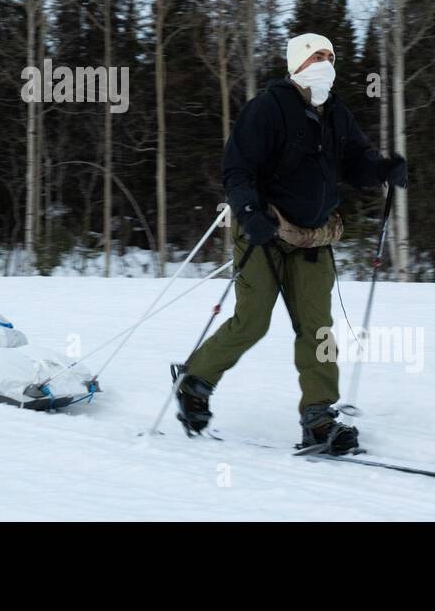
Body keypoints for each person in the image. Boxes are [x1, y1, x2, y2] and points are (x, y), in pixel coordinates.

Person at [174, 33, 406, 453]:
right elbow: (237, 170)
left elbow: (357, 162)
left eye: (331, 57)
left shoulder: (336, 113)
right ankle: (194, 381)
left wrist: (383, 169)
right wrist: (248, 213)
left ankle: (318, 418)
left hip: (313, 239)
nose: (326, 62)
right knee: (252, 321)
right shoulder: (267, 108)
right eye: (318, 55)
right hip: (263, 232)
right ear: (298, 61)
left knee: (318, 329)